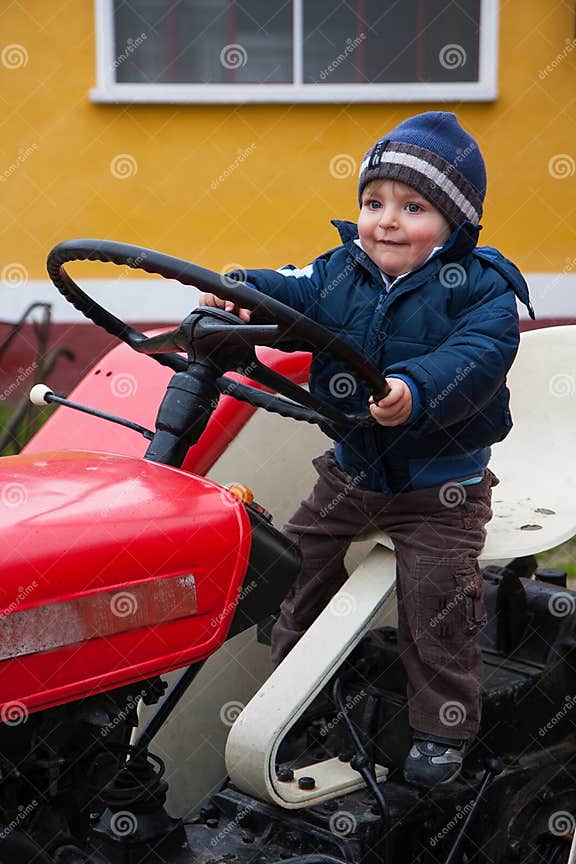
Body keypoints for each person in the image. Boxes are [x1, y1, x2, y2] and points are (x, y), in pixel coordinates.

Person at [201, 112, 534, 787]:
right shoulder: (341, 272)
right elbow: (292, 291)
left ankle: (442, 731)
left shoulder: (483, 290)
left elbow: (476, 357)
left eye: (413, 207)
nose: (386, 220)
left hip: (440, 487)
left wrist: (415, 388)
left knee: (437, 599)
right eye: (373, 202)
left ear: (456, 224)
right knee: (294, 567)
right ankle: (298, 701)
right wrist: (241, 288)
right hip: (354, 471)